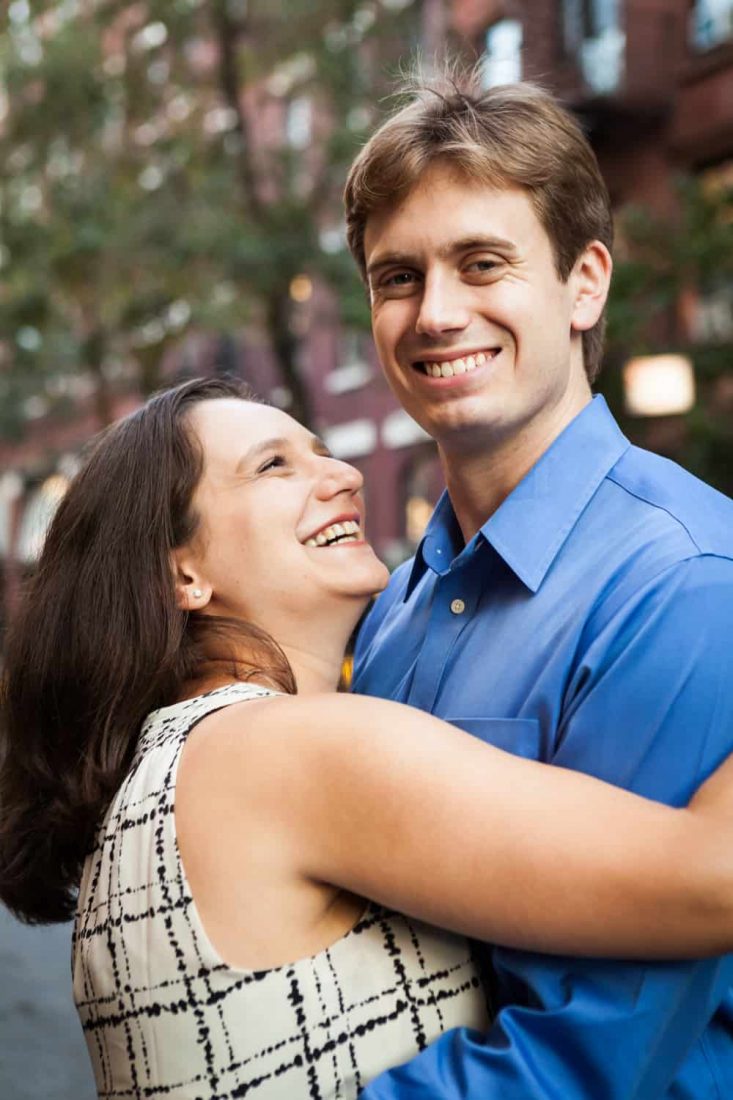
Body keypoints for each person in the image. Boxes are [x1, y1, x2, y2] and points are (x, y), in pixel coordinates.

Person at [1, 381, 733, 1100]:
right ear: (183, 572)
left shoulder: (169, 766)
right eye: (273, 466)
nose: (341, 475)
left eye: (321, 452)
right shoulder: (287, 750)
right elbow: (712, 879)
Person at [343, 73, 733, 1098]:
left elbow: (590, 1059)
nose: (435, 313)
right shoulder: (394, 609)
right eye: (396, 276)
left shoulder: (683, 583)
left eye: (482, 263)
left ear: (583, 282)